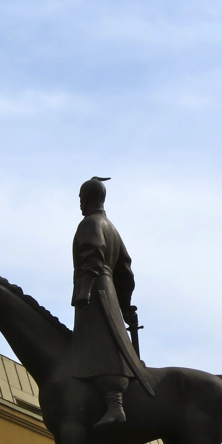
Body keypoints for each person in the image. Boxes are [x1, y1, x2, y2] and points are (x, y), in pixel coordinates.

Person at [71, 176, 151, 427]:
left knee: (101, 344)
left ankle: (114, 403)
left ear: (88, 198)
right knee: (108, 341)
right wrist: (125, 306)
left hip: (96, 290)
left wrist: (85, 291)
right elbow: (125, 271)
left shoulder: (90, 223)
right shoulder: (112, 227)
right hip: (110, 293)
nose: (80, 205)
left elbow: (92, 257)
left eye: (81, 199)